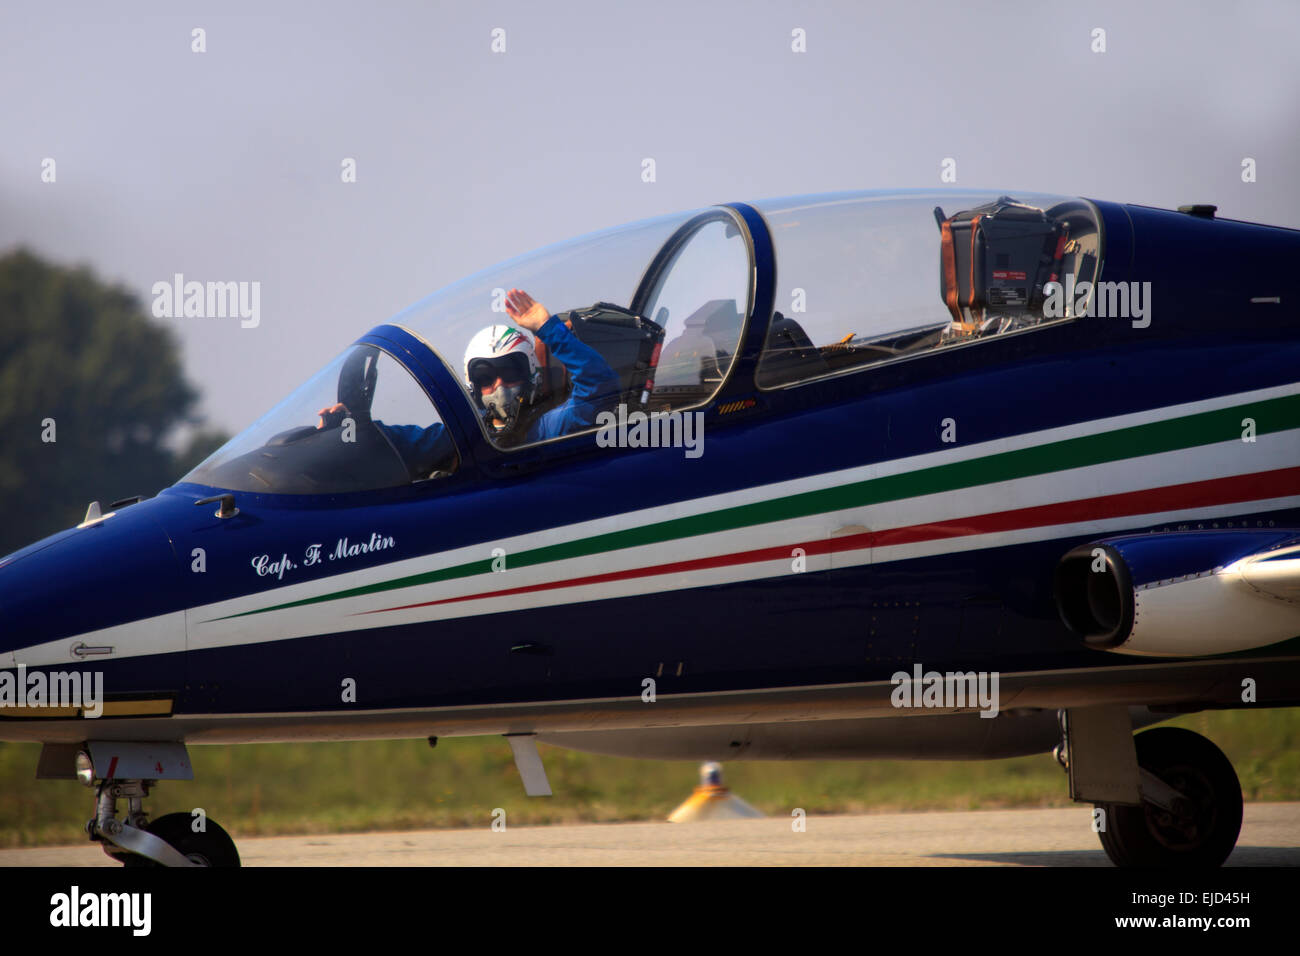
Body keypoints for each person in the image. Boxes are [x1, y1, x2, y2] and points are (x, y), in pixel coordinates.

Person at [317, 289, 620, 475]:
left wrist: (546, 327)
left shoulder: (548, 429)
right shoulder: (459, 439)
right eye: (486, 378)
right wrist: (345, 432)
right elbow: (391, 444)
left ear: (531, 378)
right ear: (473, 387)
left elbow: (599, 387)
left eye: (510, 373)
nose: (499, 386)